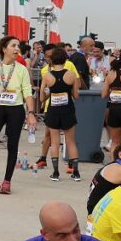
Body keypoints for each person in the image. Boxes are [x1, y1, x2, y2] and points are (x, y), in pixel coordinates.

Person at [0, 36, 38, 195]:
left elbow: (27, 92)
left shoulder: (21, 69)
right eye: (13, 45)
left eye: (18, 46)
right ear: (4, 49)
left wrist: (31, 113)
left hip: (15, 110)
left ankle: (7, 181)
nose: (17, 48)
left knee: (12, 146)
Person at [39, 46, 82, 182]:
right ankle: (76, 173)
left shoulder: (47, 76)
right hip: (68, 109)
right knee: (70, 141)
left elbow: (41, 98)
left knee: (55, 142)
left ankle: (56, 172)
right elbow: (76, 96)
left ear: (51, 60)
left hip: (53, 110)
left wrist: (50, 93)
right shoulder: (71, 75)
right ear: (65, 60)